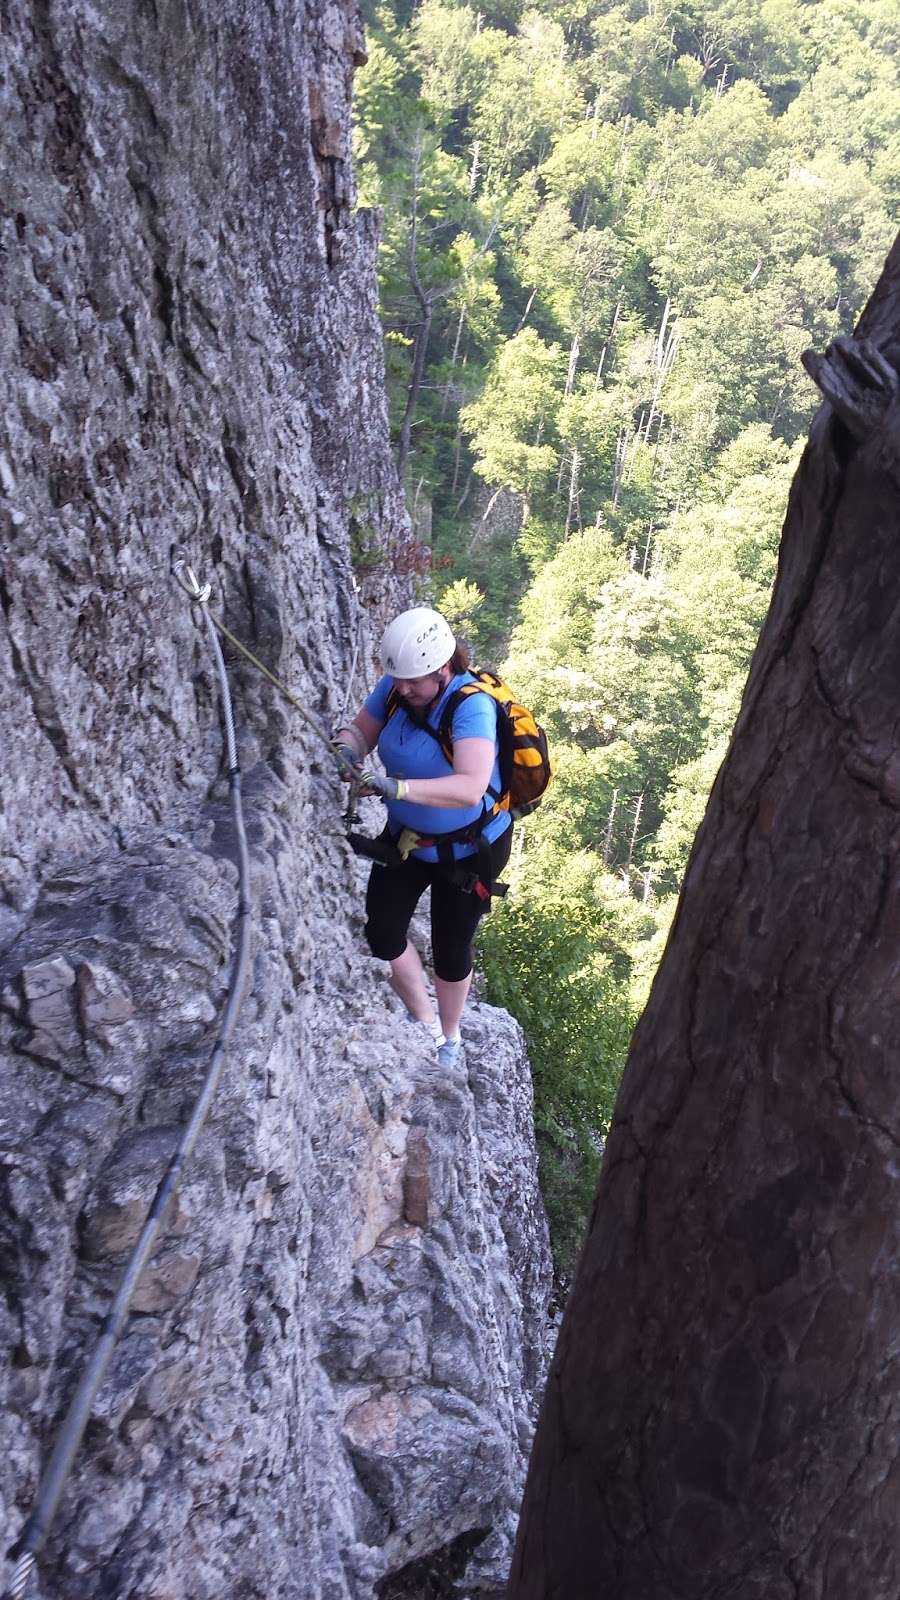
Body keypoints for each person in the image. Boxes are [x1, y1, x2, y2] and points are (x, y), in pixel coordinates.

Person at [334, 607, 513, 1068]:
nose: (403, 689)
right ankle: (425, 1022)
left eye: (413, 681)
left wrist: (397, 788)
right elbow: (361, 731)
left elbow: (470, 786)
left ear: (443, 668)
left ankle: (450, 1037)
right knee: (382, 931)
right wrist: (347, 750)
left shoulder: (471, 705)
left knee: (451, 951)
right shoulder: (397, 688)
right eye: (398, 680)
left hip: (469, 850)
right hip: (408, 839)